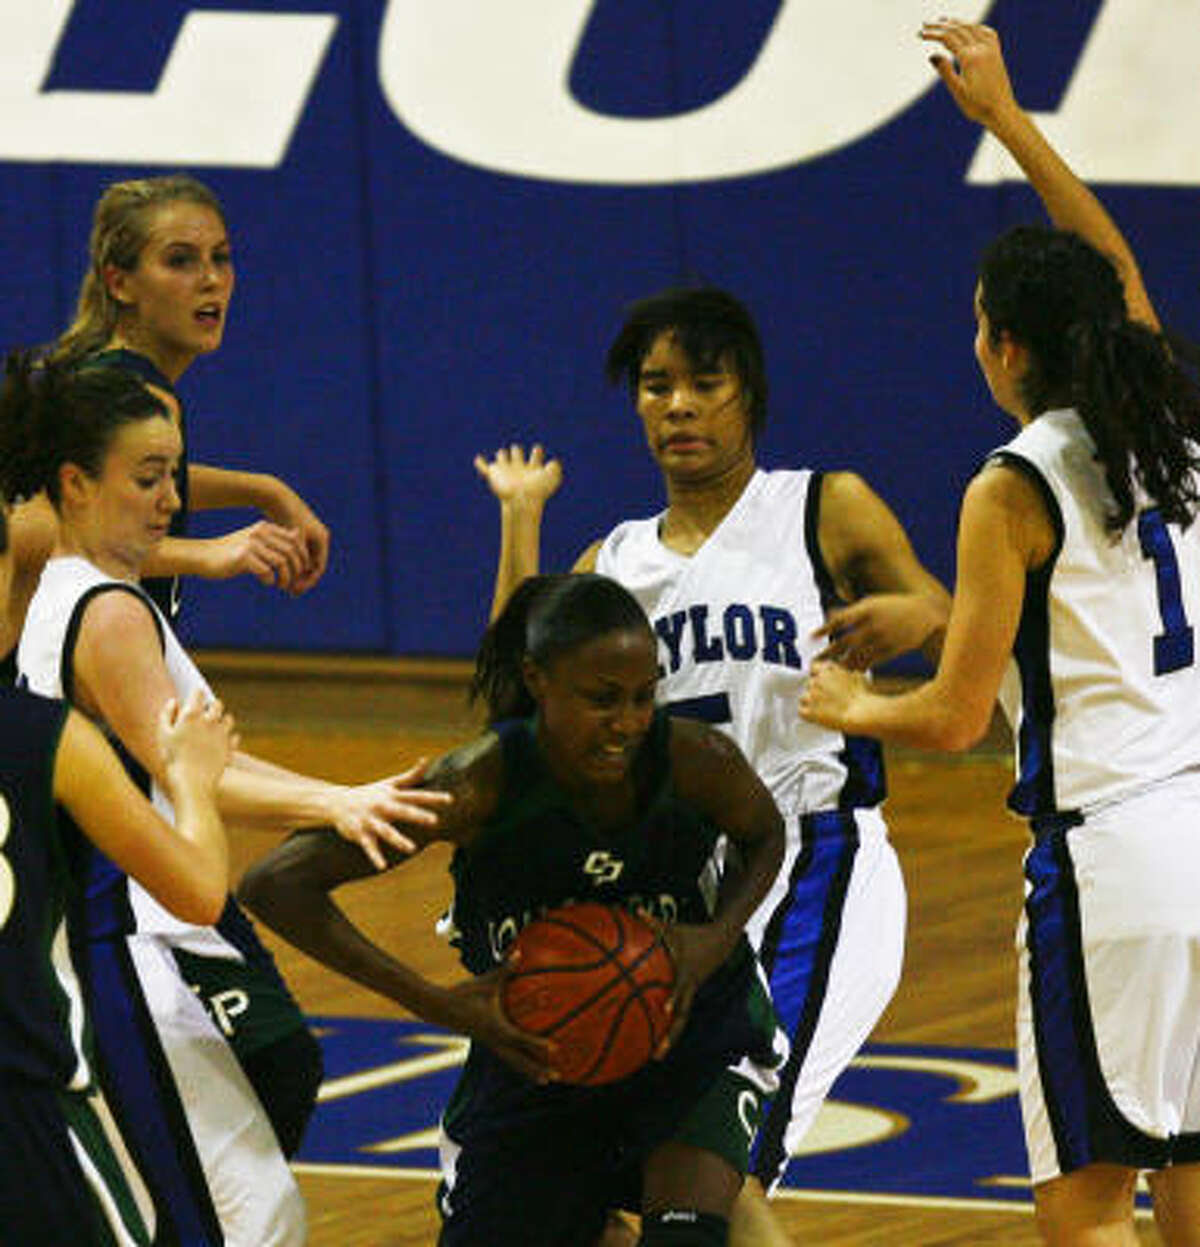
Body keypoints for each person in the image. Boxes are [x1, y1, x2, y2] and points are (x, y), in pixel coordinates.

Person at [800, 20, 1200, 1246]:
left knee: (1083, 1211)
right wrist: (1011, 123)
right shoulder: (1170, 417)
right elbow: (1117, 265)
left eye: (980, 324)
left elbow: (957, 713)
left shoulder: (1012, 482)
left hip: (1112, 859)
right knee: (1189, 1175)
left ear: (1007, 346)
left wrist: (848, 707)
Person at [476, 301, 949, 1238]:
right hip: (687, 890)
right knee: (643, 1186)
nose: (680, 406)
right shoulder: (615, 561)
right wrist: (522, 523)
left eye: (705, 384)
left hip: (819, 859)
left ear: (749, 396)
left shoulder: (822, 504)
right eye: (658, 387)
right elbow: (514, 700)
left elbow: (935, 604)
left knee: (715, 1169)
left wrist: (915, 617)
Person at [0, 356, 449, 1246]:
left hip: (86, 941)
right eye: (149, 478)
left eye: (175, 475)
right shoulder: (105, 611)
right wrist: (338, 802)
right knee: (246, 1217)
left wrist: (337, 794)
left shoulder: (45, 585)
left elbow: (196, 758)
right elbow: (185, 771)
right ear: (75, 483)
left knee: (246, 1123)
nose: (171, 499)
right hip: (126, 940)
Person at [239, 572, 790, 1247]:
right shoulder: (478, 783)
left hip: (691, 1036)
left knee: (692, 1231)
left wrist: (712, 939)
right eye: (603, 699)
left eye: (644, 698)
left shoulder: (694, 758)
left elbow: (766, 834)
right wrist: (434, 1002)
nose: (628, 723)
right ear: (538, 680)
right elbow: (275, 883)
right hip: (539, 1053)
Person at [9, 171, 338, 1165]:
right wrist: (214, 549)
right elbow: (40, 531)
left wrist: (264, 487)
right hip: (76, 760)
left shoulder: (131, 394)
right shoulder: (96, 400)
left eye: (221, 257)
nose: (211, 281)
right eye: (180, 259)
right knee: (248, 1055)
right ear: (117, 278)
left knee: (250, 1059)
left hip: (118, 747)